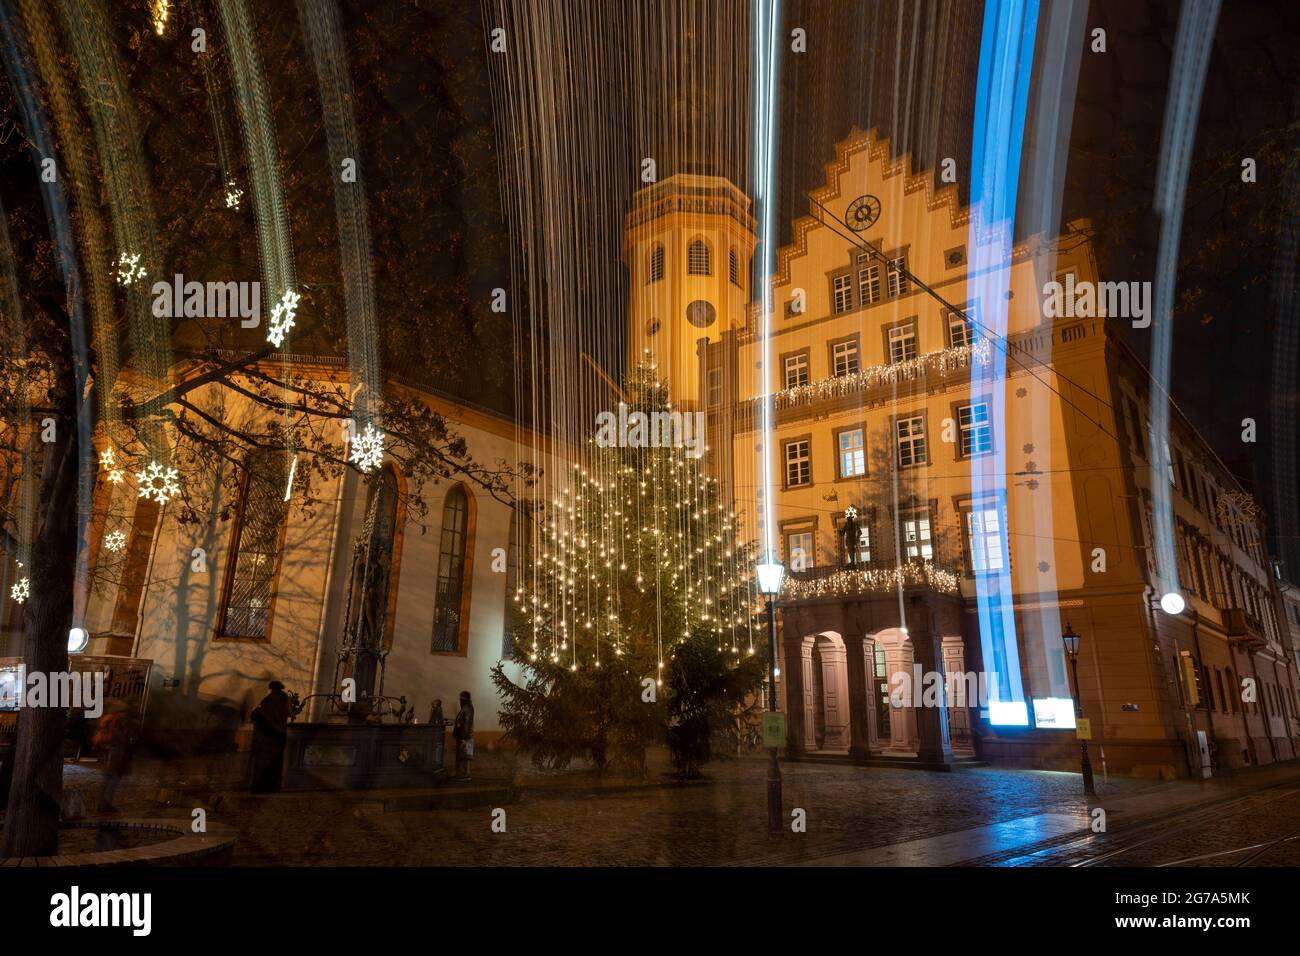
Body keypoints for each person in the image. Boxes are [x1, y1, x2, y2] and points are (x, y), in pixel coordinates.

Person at [94, 698, 139, 813]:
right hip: (117, 751)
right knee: (113, 778)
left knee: (109, 778)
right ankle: (104, 805)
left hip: (110, 749)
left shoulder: (112, 716)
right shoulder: (123, 718)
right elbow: (123, 737)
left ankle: (103, 804)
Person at [249, 680, 291, 793]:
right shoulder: (285, 699)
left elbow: (255, 715)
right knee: (276, 762)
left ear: (271, 688)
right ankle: (274, 786)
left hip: (266, 736)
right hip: (279, 736)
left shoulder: (267, 700)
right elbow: (289, 713)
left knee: (263, 763)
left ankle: (260, 788)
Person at [452, 690, 474, 781]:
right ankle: (461, 773)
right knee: (462, 756)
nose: (459, 701)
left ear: (464, 699)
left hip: (464, 736)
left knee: (464, 756)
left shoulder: (467, 708)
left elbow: (467, 723)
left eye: (461, 699)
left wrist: (464, 735)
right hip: (463, 735)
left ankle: (464, 775)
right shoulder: (465, 707)